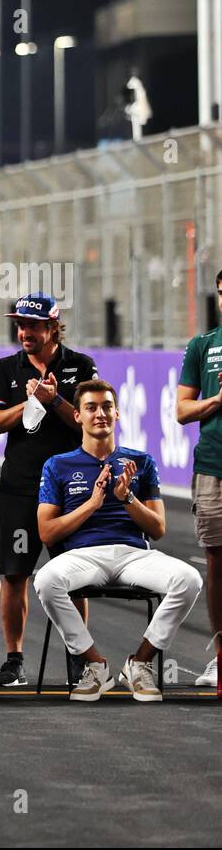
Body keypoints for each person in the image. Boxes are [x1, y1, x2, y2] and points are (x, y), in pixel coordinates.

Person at [35, 379, 202, 702]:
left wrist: (128, 499)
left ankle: (139, 663)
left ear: (118, 413)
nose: (100, 414)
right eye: (91, 408)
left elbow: (157, 529)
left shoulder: (141, 462)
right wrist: (91, 505)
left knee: (189, 579)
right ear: (78, 417)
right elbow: (47, 532)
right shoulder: (58, 465)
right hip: (83, 554)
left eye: (107, 407)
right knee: (46, 580)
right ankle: (94, 664)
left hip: (133, 553)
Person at [0, 293, 98, 688]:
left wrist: (56, 401)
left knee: (75, 577)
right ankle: (14, 660)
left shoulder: (80, 366)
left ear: (52, 327)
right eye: (20, 325)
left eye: (32, 325)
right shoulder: (5, 368)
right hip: (19, 487)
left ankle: (79, 659)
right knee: (14, 575)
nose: (24, 332)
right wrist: (30, 402)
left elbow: (90, 422)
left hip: (71, 492)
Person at [174, 268, 222, 689]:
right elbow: (182, 411)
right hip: (212, 467)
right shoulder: (202, 346)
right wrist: (220, 399)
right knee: (216, 563)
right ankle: (221, 656)